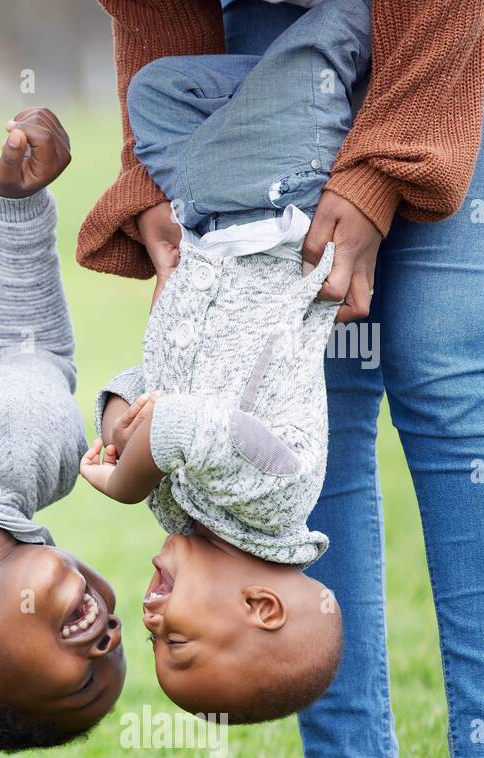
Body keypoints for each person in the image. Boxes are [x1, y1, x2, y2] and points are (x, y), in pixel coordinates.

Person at [82, 0, 484, 758]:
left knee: (450, 359)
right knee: (318, 382)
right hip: (275, 26)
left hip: (453, 19)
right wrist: (164, 178)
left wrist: (375, 173)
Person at [79, 0, 370, 721]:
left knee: (155, 91)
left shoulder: (183, 513)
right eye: (178, 641)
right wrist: (125, 477)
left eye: (155, 648)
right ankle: (362, 69)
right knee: (336, 32)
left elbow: (158, 394)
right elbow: (180, 423)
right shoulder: (277, 495)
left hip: (206, 216)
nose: (148, 623)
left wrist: (116, 413)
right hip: (272, 210)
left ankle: (321, 97)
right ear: (263, 605)